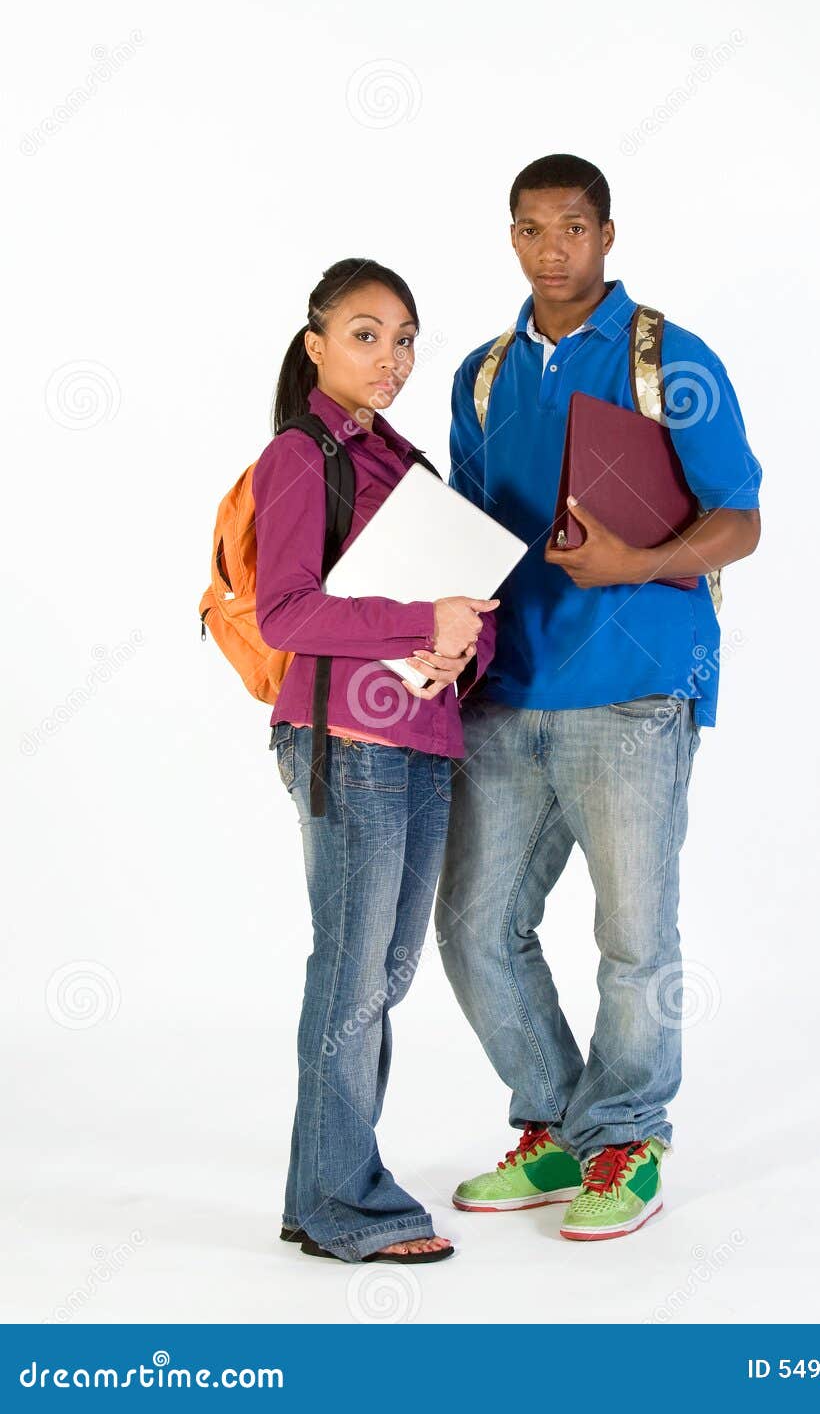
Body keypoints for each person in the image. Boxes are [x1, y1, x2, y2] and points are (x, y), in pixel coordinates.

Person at [436, 156, 762, 1241]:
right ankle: (558, 1130)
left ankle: (626, 1138)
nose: (551, 250)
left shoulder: (670, 358)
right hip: (503, 691)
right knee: (474, 925)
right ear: (512, 239)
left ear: (607, 234)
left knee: (632, 938)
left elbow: (741, 518)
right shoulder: (480, 375)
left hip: (629, 695)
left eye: (571, 227)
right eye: (530, 230)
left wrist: (633, 562)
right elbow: (471, 536)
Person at [253, 258, 498, 1264]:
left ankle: (321, 1191)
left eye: (402, 337)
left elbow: (465, 616)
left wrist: (458, 651)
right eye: (364, 333)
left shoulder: (413, 468)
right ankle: (341, 1202)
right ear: (315, 344)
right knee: (353, 973)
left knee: (382, 973)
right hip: (344, 745)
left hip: (422, 741)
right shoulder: (302, 456)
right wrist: (418, 618)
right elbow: (287, 611)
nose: (388, 355)